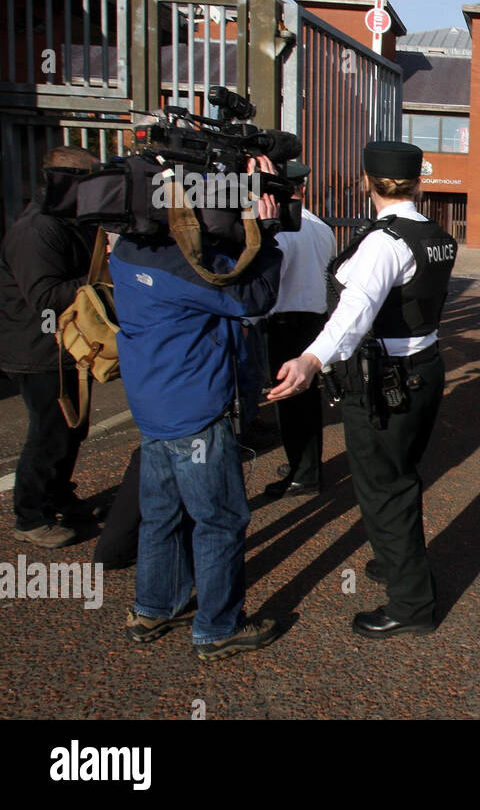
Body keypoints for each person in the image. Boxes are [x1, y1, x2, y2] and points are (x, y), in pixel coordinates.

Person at [269, 142, 457, 639]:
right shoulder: (435, 233)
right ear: (418, 183)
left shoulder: (382, 242)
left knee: (384, 486)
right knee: (399, 473)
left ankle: (412, 604)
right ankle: (396, 561)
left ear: (366, 182)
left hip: (387, 376)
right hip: (424, 366)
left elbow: (355, 312)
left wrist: (311, 359)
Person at [111, 155, 282, 661]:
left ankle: (154, 607)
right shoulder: (190, 270)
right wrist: (265, 235)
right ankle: (217, 628)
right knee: (219, 520)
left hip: (152, 405)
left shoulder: (127, 249)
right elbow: (253, 298)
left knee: (161, 515)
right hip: (196, 411)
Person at [0, 146, 99, 548]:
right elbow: (46, 296)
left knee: (71, 431)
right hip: (37, 348)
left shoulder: (68, 219)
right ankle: (30, 516)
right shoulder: (37, 229)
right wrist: (104, 283)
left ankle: (59, 495)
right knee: (49, 432)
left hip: (63, 345)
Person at [263, 161, 335, 498]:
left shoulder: (281, 228)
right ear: (302, 188)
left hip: (285, 320)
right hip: (314, 319)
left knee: (289, 402)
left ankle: (303, 474)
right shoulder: (320, 225)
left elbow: (272, 280)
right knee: (306, 399)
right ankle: (304, 465)